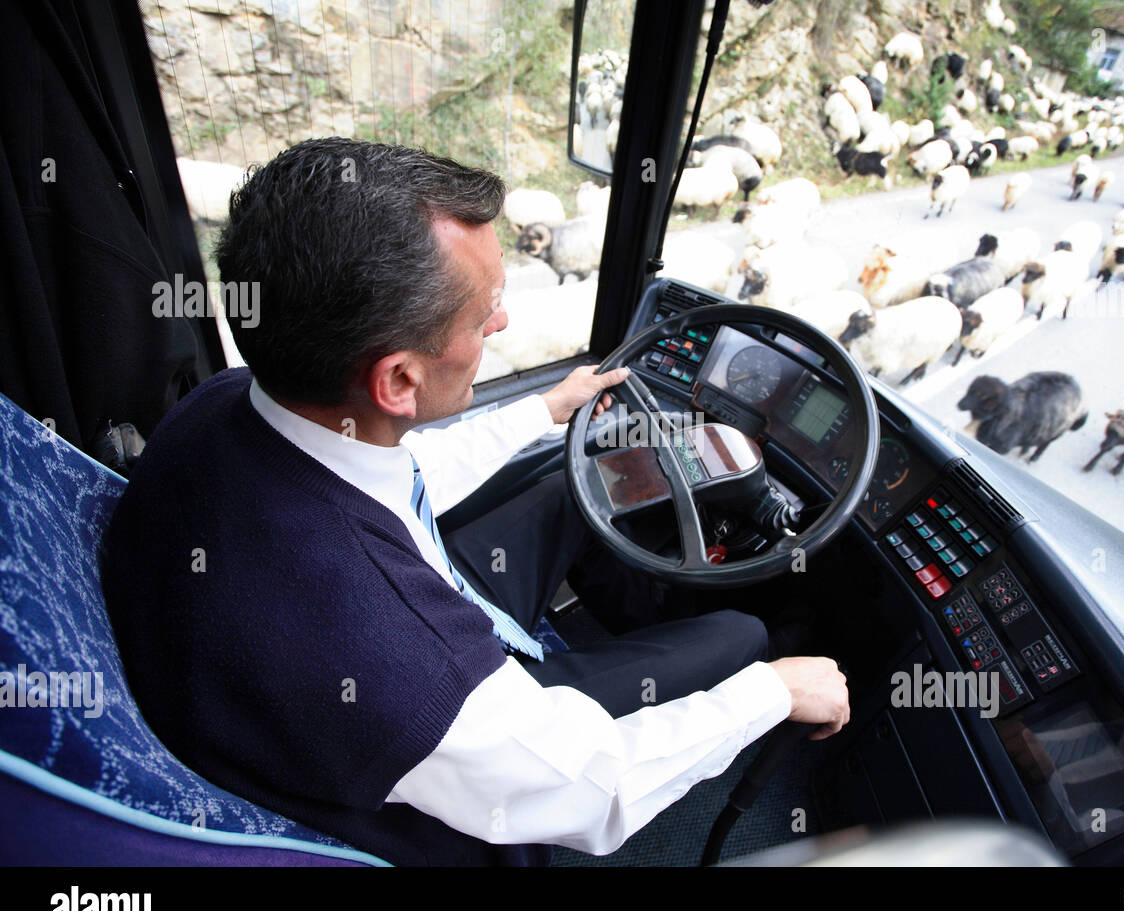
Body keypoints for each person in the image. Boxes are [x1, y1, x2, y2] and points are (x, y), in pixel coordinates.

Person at [101, 138, 849, 866]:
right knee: (742, 634)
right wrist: (772, 692)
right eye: (484, 310)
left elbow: (398, 473)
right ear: (397, 381)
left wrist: (545, 409)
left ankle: (630, 648)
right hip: (478, 751)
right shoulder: (403, 670)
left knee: (576, 485)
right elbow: (599, 787)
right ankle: (714, 652)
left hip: (400, 630)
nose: (502, 323)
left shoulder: (229, 403)